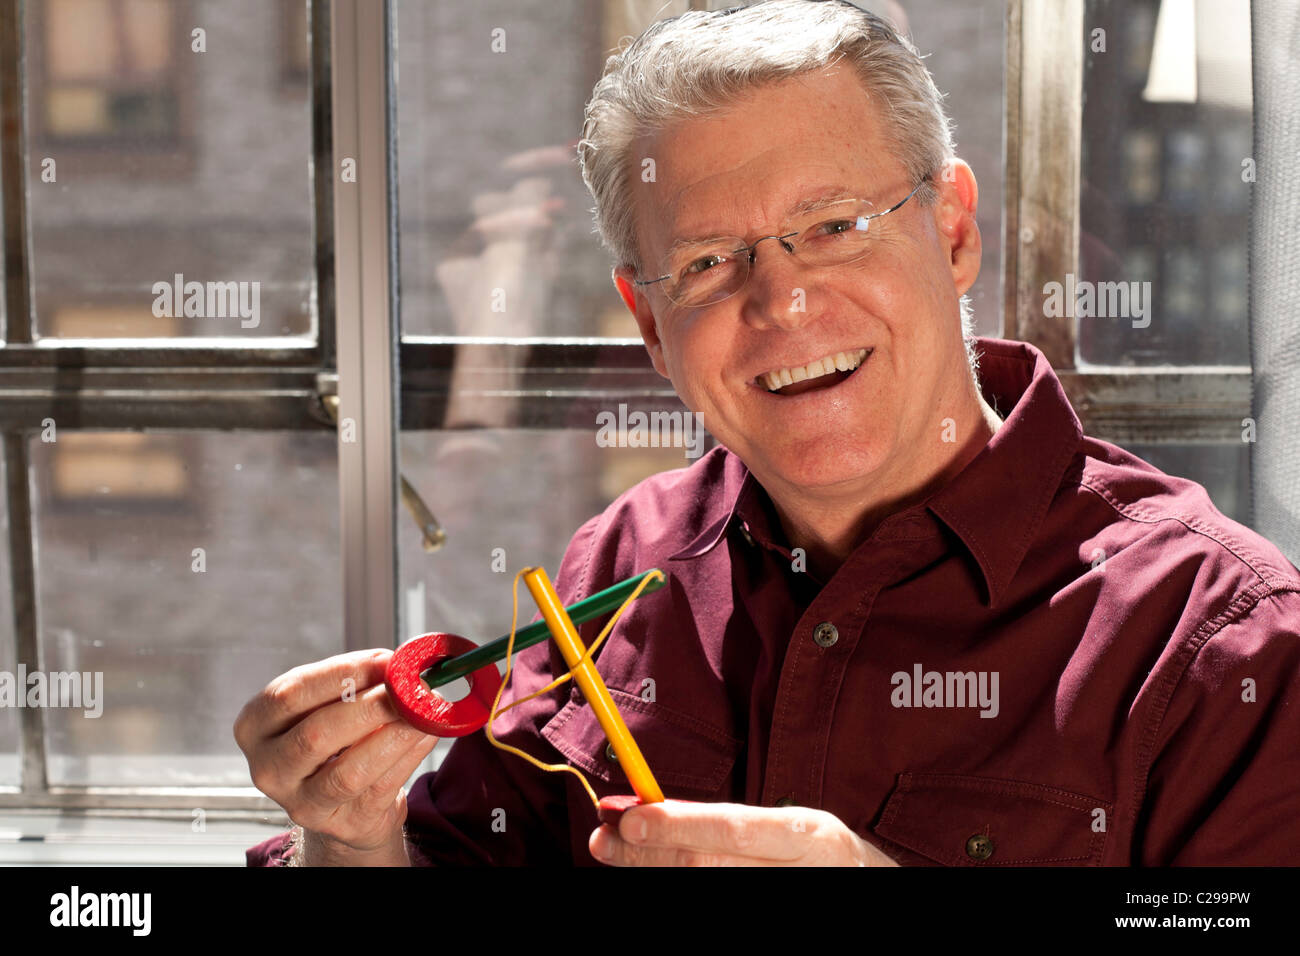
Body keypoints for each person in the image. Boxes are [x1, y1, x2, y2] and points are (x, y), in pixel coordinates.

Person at [236, 0, 1300, 866]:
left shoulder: (1225, 639)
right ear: (651, 325)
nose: (781, 302)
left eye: (834, 226)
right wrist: (350, 830)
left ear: (954, 230)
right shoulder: (622, 559)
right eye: (706, 262)